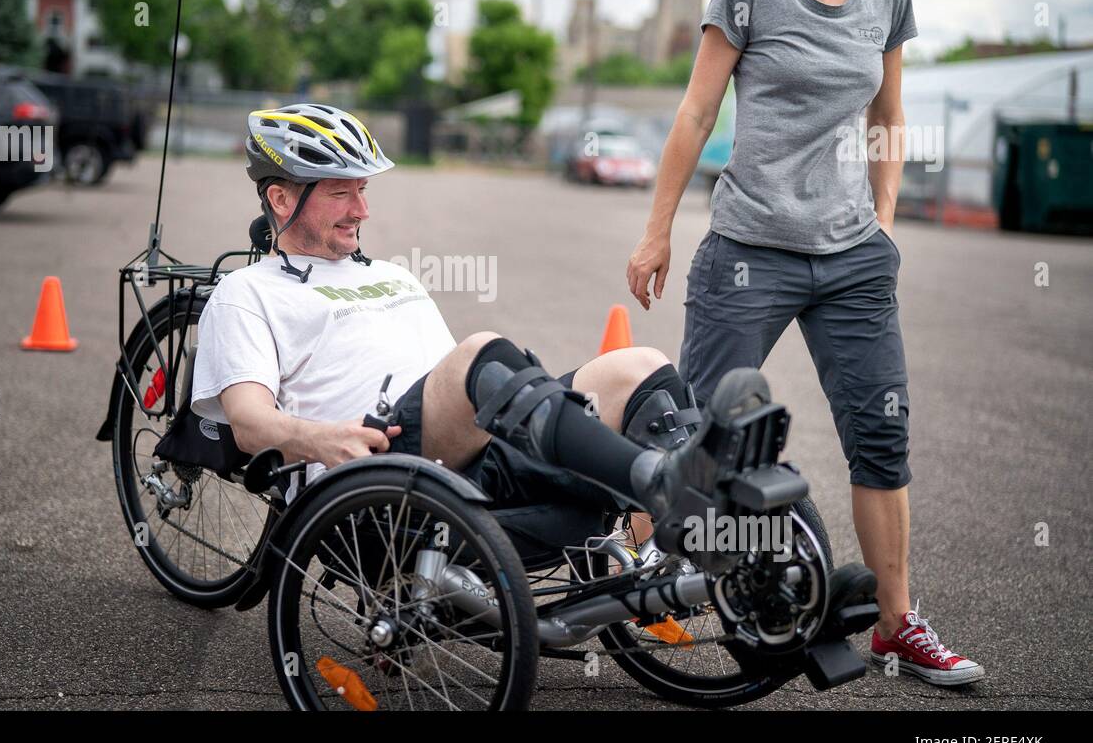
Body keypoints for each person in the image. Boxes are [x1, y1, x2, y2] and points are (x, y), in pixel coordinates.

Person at [625, 0, 982, 685]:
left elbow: (888, 116)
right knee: (700, 436)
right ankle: (632, 575)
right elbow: (694, 111)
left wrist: (884, 227)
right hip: (750, 249)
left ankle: (898, 624)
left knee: (881, 437)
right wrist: (657, 231)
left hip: (853, 258)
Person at [190, 103, 768, 554]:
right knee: (480, 354)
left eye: (362, 191)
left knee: (637, 365)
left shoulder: (391, 275)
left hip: (473, 451)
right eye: (341, 193)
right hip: (375, 471)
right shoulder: (248, 292)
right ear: (280, 196)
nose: (362, 211)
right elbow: (246, 423)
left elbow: (452, 386)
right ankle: (659, 480)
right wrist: (319, 439)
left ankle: (711, 534)